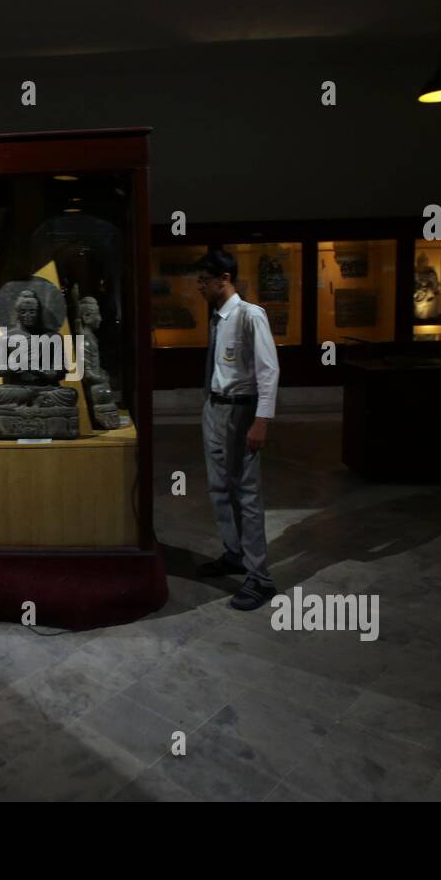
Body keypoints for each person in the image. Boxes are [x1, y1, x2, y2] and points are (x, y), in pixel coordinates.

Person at [195, 249, 281, 611]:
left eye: (204, 280)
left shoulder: (249, 316)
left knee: (246, 493)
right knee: (219, 488)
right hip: (215, 408)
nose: (200, 286)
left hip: (240, 411)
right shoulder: (217, 318)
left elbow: (268, 370)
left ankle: (260, 577)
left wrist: (261, 420)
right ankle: (234, 552)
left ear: (224, 278)